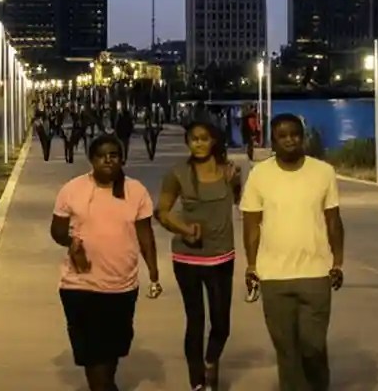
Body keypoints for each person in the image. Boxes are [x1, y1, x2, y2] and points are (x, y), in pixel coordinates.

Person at [49, 134, 161, 391]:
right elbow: (56, 231)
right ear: (91, 160)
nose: (108, 160)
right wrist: (71, 243)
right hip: (80, 284)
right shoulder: (72, 189)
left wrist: (153, 272)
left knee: (113, 350)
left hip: (122, 285)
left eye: (114, 155)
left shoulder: (136, 191)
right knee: (93, 352)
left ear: (122, 159)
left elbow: (145, 235)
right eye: (101, 156)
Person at [241, 113, 345, 391]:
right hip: (273, 275)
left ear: (303, 136)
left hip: (316, 273)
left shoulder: (323, 172)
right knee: (286, 351)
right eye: (282, 135)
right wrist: (251, 266)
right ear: (273, 140)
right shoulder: (259, 175)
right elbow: (251, 224)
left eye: (294, 134)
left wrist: (338, 262)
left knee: (312, 346)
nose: (289, 140)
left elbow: (333, 220)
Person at [156, 121, 242, 391]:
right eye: (194, 139)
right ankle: (197, 382)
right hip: (187, 259)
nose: (199, 144)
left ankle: (210, 361)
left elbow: (238, 200)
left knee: (221, 323)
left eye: (205, 139)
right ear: (188, 142)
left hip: (221, 256)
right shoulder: (178, 173)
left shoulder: (228, 172)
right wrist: (184, 228)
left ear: (214, 141)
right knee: (195, 320)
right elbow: (163, 211)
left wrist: (235, 180)